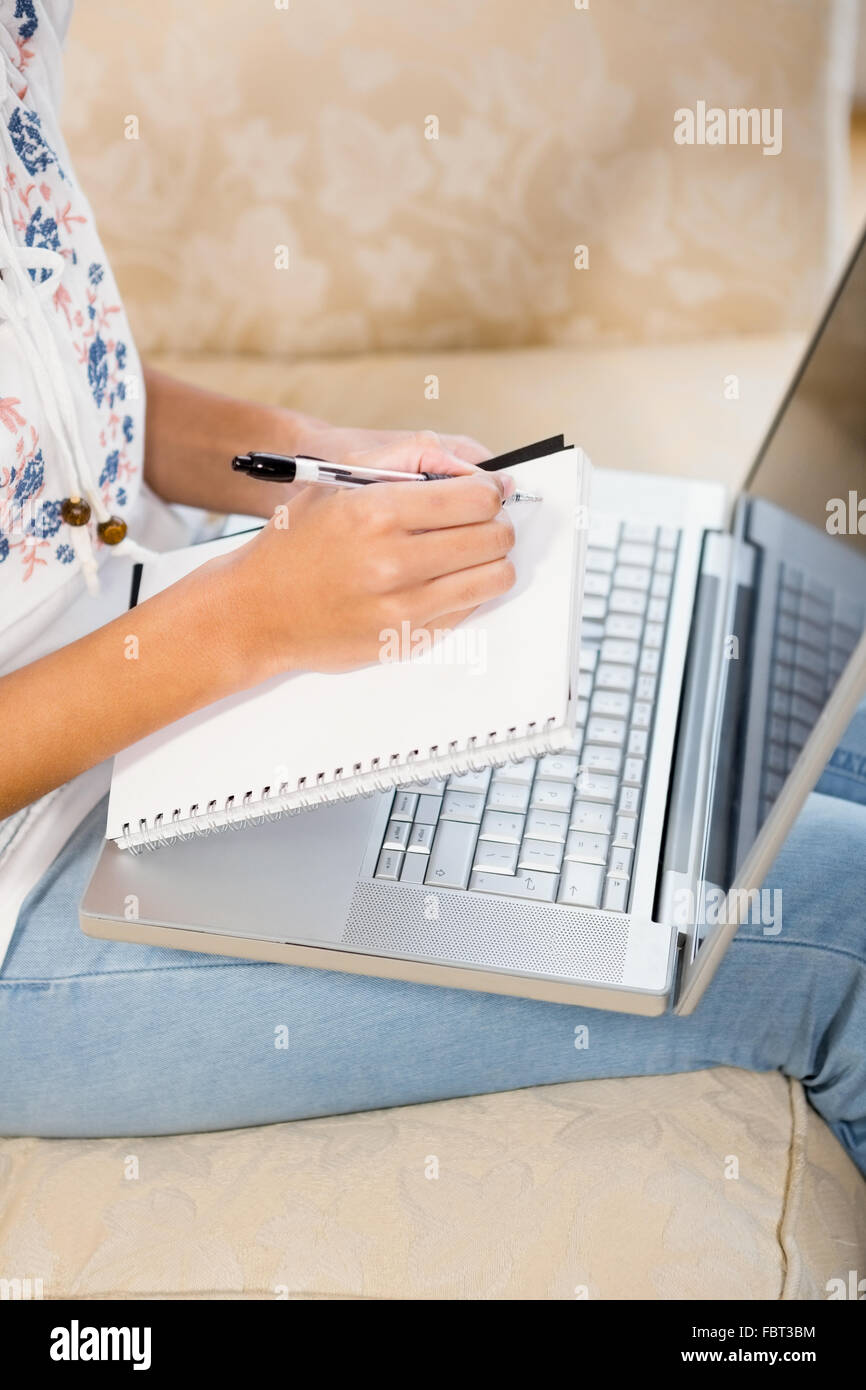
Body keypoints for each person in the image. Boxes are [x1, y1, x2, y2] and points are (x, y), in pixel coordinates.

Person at [1, 4, 864, 1177]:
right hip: (34, 870)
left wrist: (307, 466)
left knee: (796, 668)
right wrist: (256, 619)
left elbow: (60, 357)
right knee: (843, 916)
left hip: (168, 595)